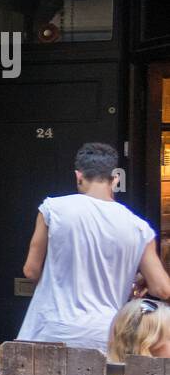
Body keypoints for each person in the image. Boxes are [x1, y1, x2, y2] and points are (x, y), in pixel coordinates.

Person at [19, 142, 170, 352]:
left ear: (78, 176)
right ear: (115, 179)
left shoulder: (53, 209)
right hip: (105, 335)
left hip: (50, 329)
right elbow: (162, 289)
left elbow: (31, 270)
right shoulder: (139, 228)